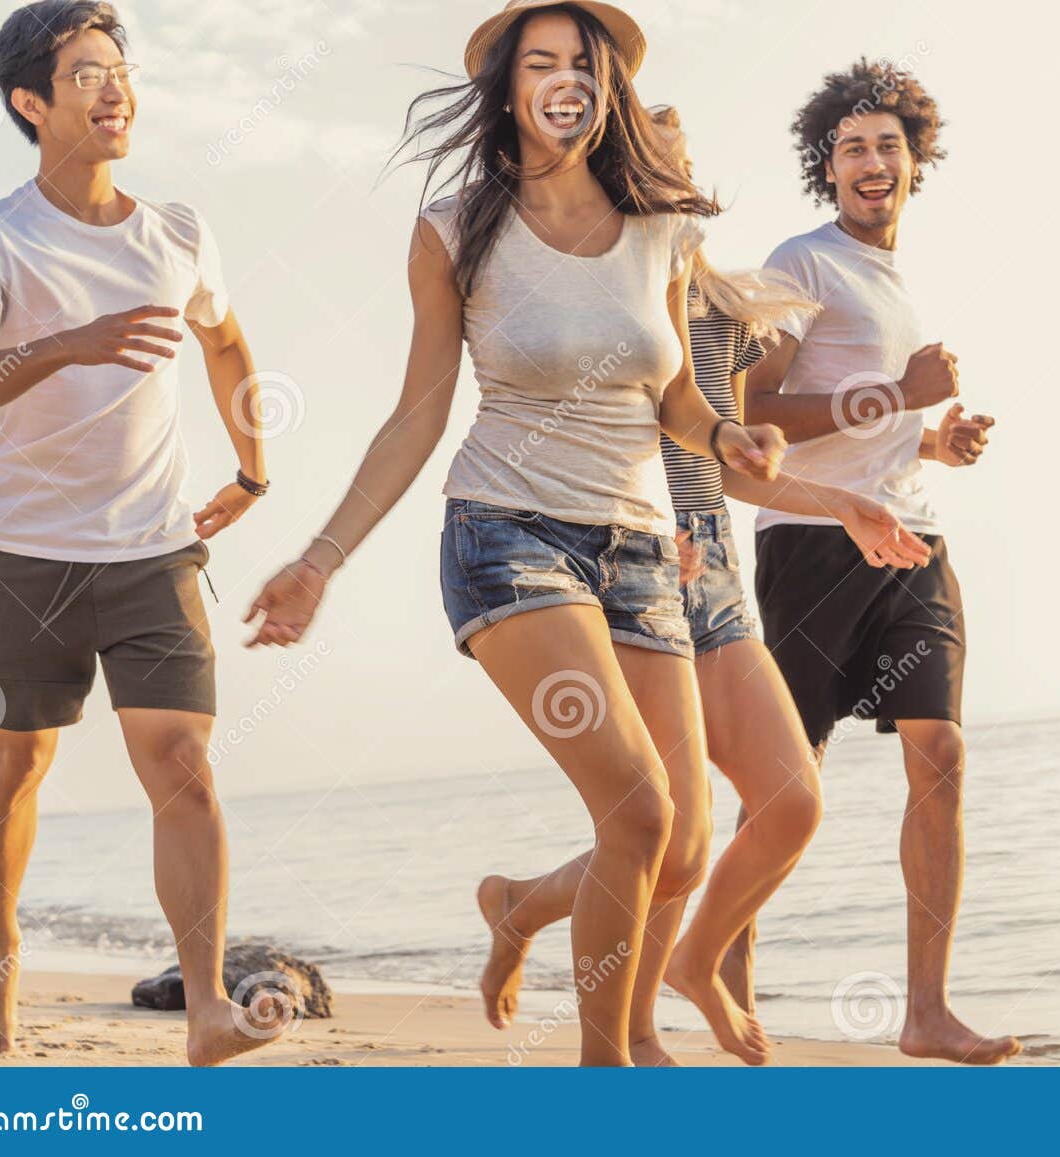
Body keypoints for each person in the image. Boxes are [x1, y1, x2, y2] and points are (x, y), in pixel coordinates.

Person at [241, 0, 802, 1067]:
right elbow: (418, 414)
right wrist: (320, 558)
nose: (563, 80)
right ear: (508, 88)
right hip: (507, 532)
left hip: (638, 544)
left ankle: (514, 914)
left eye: (582, 63)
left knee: (677, 841)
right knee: (638, 806)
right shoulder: (455, 230)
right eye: (538, 62)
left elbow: (674, 394)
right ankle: (606, 1072)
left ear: (609, 90)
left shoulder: (662, 227)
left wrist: (730, 436)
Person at [471, 103, 935, 1066]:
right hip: (631, 557)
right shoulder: (594, 280)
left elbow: (729, 450)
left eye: (682, 140)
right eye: (657, 138)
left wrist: (845, 501)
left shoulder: (723, 302)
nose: (676, 150)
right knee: (670, 831)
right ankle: (631, 1029)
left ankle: (535, 909)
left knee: (790, 801)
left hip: (713, 566)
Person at [0, 1, 284, 1064]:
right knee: (17, 762)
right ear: (32, 102)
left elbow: (224, 340)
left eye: (120, 68)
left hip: (153, 550)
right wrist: (69, 342)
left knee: (183, 763)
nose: (115, 88)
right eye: (86, 73)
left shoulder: (176, 230)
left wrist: (255, 467)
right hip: (20, 553)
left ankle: (209, 1004)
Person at [722, 58, 1020, 1065]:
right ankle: (727, 977)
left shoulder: (908, 275)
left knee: (939, 751)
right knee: (783, 784)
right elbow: (752, 413)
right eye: (850, 147)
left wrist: (938, 440)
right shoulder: (797, 263)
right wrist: (900, 393)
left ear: (914, 161)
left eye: (887, 144)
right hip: (809, 543)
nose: (870, 160)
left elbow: (876, 427)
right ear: (828, 167)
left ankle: (926, 1009)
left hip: (913, 535)